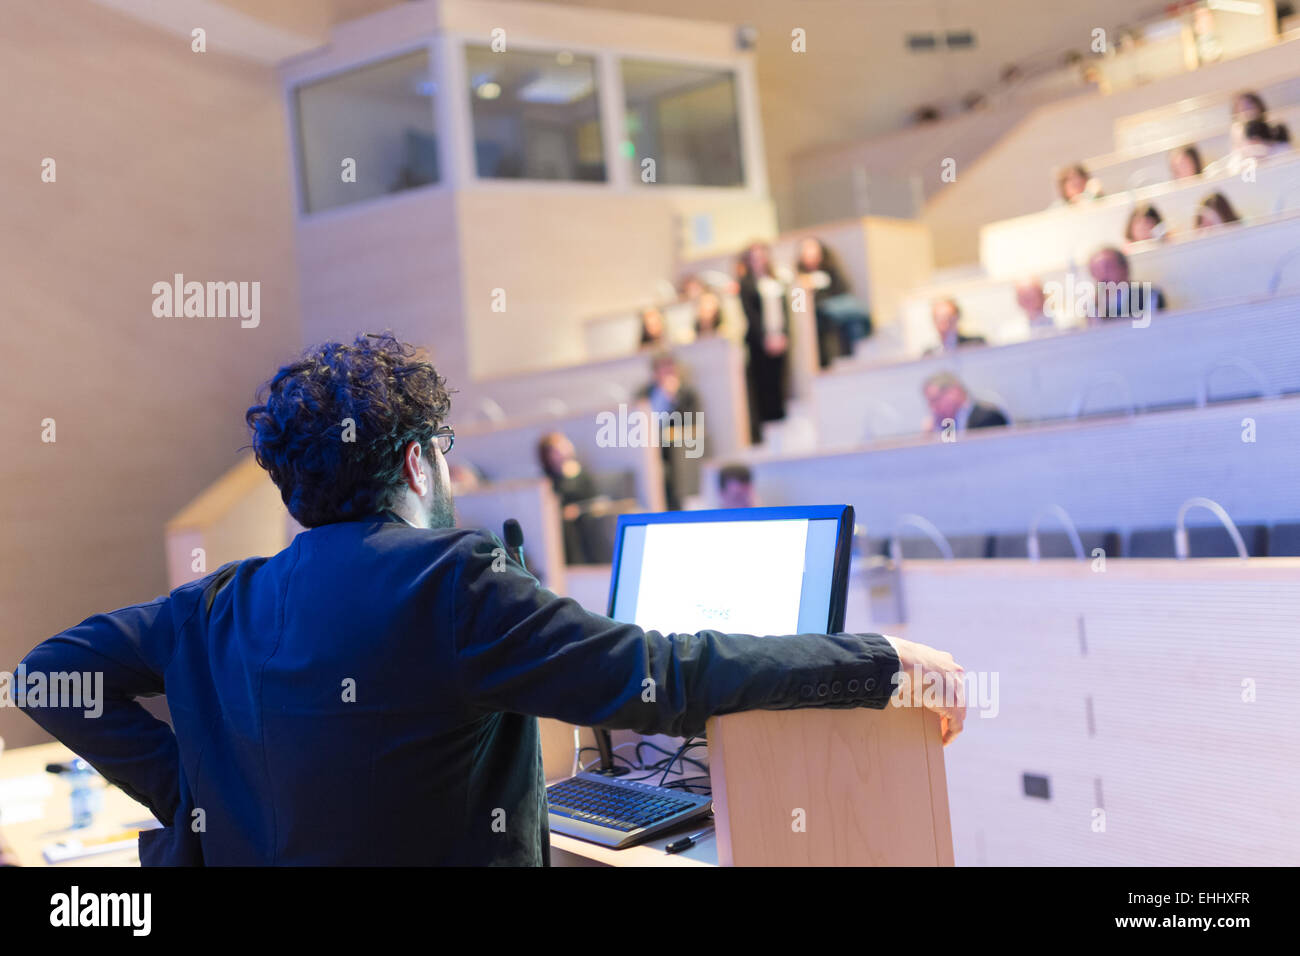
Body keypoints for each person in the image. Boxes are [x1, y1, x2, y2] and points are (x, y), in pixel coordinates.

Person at [15, 332, 964, 866]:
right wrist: (878, 662)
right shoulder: (449, 580)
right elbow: (662, 676)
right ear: (422, 458)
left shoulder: (220, 599)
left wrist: (193, 795)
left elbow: (45, 673)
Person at [736, 241, 790, 444]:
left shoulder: (778, 280)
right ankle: (766, 431)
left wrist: (783, 334)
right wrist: (765, 338)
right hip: (759, 342)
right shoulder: (746, 284)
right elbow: (751, 316)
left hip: (779, 338)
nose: (759, 260)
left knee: (779, 383)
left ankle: (781, 424)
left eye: (761, 255)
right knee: (762, 386)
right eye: (754, 257)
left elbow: (789, 310)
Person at [637, 352, 702, 510]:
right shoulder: (645, 394)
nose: (667, 373)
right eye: (662, 369)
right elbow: (638, 422)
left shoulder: (687, 395)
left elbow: (692, 426)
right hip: (648, 449)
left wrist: (672, 399)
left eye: (670, 368)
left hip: (677, 451)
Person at [1087, 246, 1166, 323]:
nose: (1102, 274)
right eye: (1096, 270)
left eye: (1108, 267)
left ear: (1125, 268)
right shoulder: (1093, 305)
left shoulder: (1149, 296)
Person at [922, 372, 1009, 434]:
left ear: (954, 392)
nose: (933, 407)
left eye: (935, 400)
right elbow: (949, 453)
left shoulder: (989, 417)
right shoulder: (948, 422)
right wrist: (931, 437)